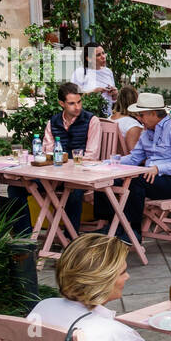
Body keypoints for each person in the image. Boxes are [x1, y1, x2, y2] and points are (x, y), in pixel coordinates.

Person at [101, 92, 171, 239]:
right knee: (106, 180)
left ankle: (133, 231)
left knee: (135, 182)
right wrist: (107, 163)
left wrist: (158, 168)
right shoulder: (146, 133)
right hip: (153, 179)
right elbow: (134, 158)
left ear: (153, 113)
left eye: (141, 115)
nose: (139, 119)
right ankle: (112, 225)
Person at [34, 83, 104, 233]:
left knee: (73, 190)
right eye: (72, 103)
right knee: (18, 186)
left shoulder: (92, 121)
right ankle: (25, 238)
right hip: (55, 176)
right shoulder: (52, 122)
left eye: (79, 102)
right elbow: (48, 151)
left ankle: (70, 238)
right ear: (62, 103)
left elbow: (91, 156)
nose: (77, 107)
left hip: (81, 177)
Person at [71, 41, 117, 113]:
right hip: (87, 117)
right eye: (98, 55)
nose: (103, 57)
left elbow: (113, 100)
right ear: (88, 58)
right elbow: (72, 97)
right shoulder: (80, 72)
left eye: (103, 53)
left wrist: (114, 94)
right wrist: (93, 92)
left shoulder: (108, 72)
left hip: (107, 116)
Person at [110, 84, 144, 154]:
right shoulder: (132, 125)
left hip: (108, 160)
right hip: (125, 162)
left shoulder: (108, 119)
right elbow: (135, 156)